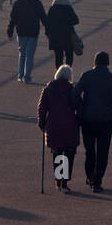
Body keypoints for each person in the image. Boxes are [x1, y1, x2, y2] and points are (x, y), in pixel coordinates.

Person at [72, 51, 112, 192]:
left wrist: (78, 110)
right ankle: (97, 180)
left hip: (88, 120)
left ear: (94, 62)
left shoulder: (87, 76)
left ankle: (89, 177)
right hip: (106, 121)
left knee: (90, 151)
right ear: (108, 63)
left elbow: (75, 94)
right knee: (103, 152)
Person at [38, 65, 81, 193]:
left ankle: (58, 180)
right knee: (68, 154)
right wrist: (79, 121)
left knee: (57, 153)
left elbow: (42, 108)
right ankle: (64, 182)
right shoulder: (72, 89)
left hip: (54, 125)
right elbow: (79, 107)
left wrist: (42, 123)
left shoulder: (48, 88)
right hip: (69, 125)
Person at [7, 0, 47, 84]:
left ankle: (20, 75)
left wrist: (10, 32)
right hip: (33, 32)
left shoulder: (18, 3)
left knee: (22, 54)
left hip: (21, 32)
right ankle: (27, 76)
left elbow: (13, 19)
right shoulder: (37, 3)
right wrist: (49, 30)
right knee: (30, 56)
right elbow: (43, 18)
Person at [45, 0, 81, 67]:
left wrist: (48, 34)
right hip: (67, 35)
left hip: (55, 36)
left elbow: (47, 23)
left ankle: (59, 74)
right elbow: (76, 20)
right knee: (69, 55)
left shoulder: (52, 8)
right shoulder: (68, 7)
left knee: (58, 57)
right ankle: (67, 72)